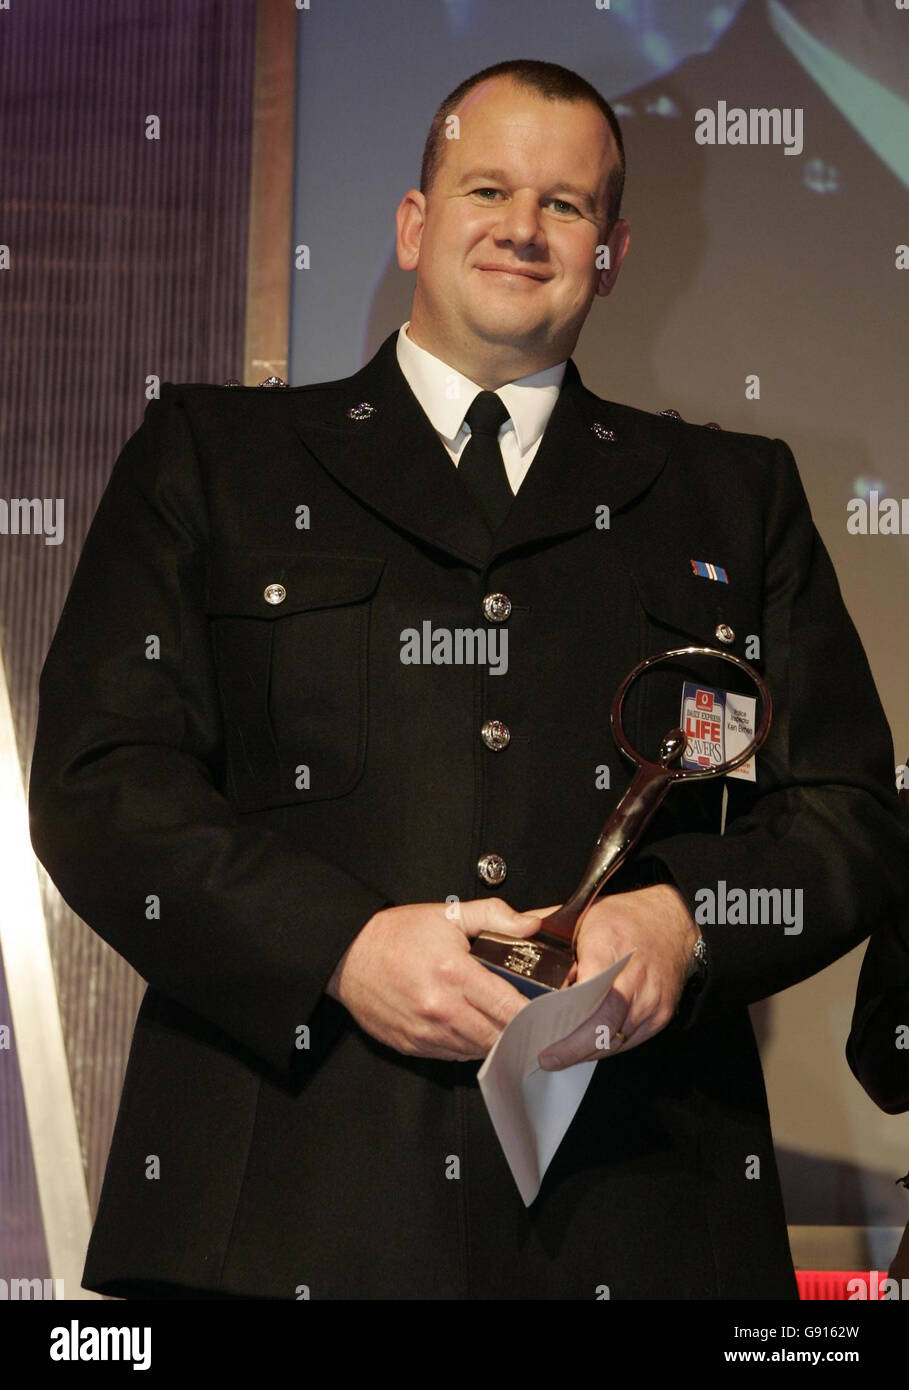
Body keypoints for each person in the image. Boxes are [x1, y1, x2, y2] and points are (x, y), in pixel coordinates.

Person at [28, 58, 909, 1300]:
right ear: (414, 221)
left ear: (609, 252)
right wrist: (339, 945)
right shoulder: (213, 457)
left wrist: (681, 918)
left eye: (569, 204)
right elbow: (99, 782)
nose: (523, 228)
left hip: (641, 1215)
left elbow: (851, 812)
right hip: (278, 1209)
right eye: (488, 186)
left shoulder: (733, 494)